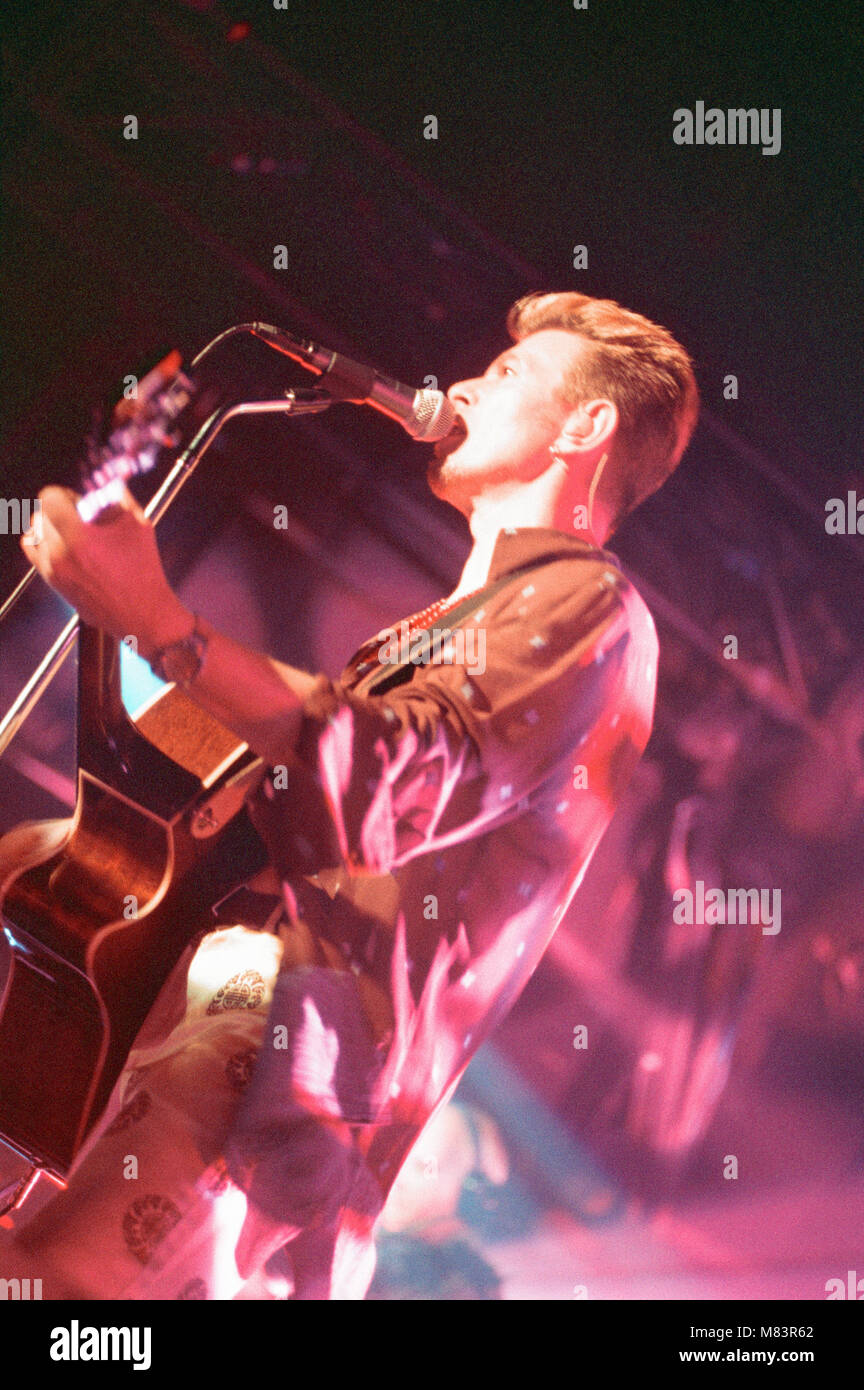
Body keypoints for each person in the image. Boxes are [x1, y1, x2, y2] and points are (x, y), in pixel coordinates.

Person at [2, 291, 698, 1299]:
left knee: (58, 1294)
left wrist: (162, 623)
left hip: (280, 1043)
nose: (462, 387)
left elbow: (386, 782)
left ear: (587, 427)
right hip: (226, 1021)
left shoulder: (595, 611)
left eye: (506, 379)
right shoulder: (436, 630)